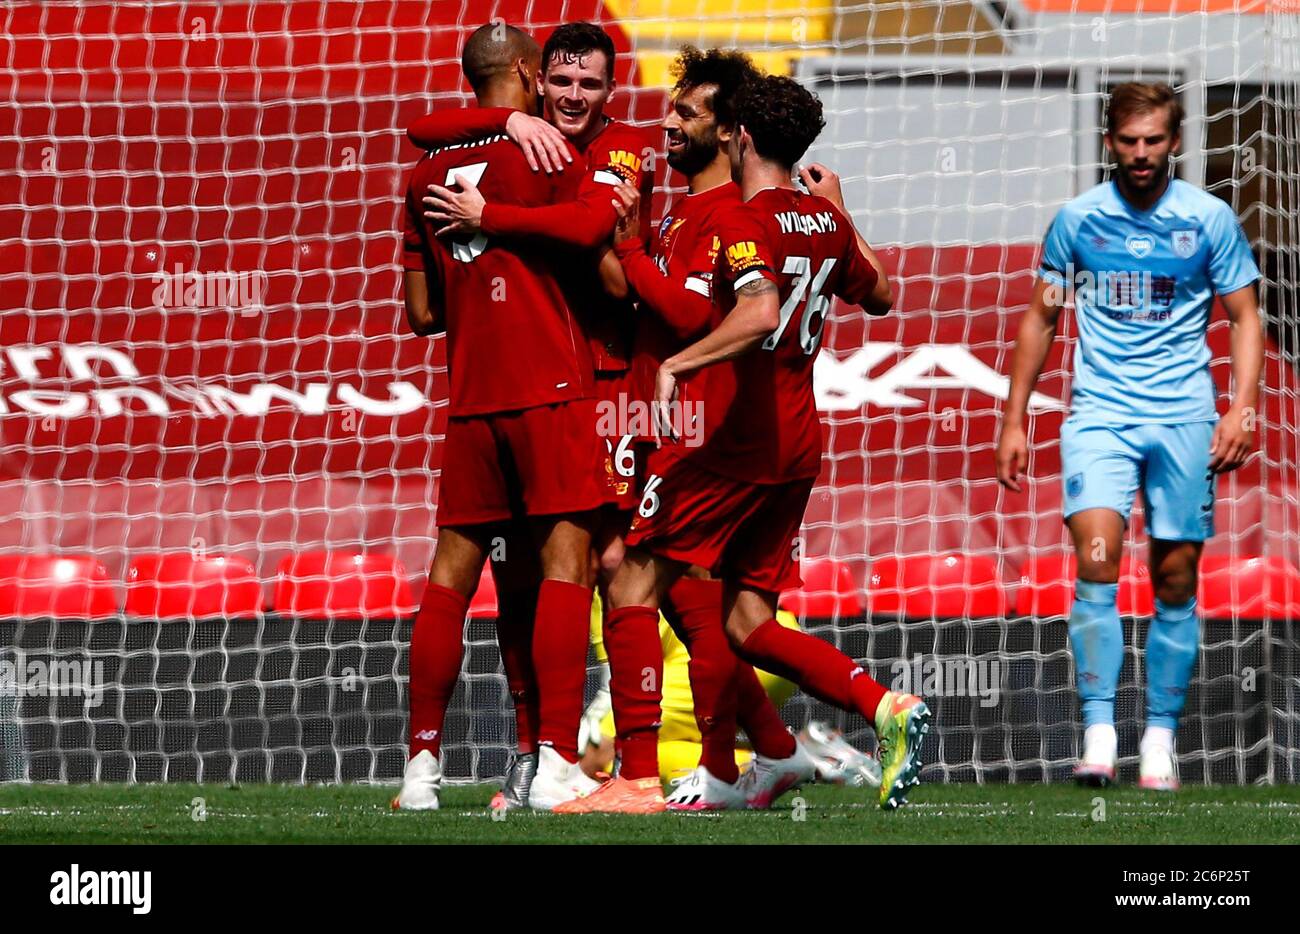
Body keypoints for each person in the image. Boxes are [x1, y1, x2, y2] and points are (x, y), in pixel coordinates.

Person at [996, 81, 1263, 790]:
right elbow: (1042, 319)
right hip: (1100, 418)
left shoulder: (1208, 220)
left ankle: (1160, 741)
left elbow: (1244, 316)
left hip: (1184, 420)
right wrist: (1015, 418)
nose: (1141, 154)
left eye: (1154, 141)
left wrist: (1241, 408)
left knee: (1175, 577)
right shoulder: (1079, 222)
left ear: (1176, 142)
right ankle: (1098, 731)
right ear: (1108, 142)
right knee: (1096, 560)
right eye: (1128, 141)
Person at [394, 22, 604, 811]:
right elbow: (589, 230)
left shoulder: (422, 177)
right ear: (526, 71)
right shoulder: (545, 151)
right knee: (565, 568)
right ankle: (552, 760)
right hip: (548, 384)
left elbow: (421, 313)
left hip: (471, 394)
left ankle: (420, 770)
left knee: (450, 579)